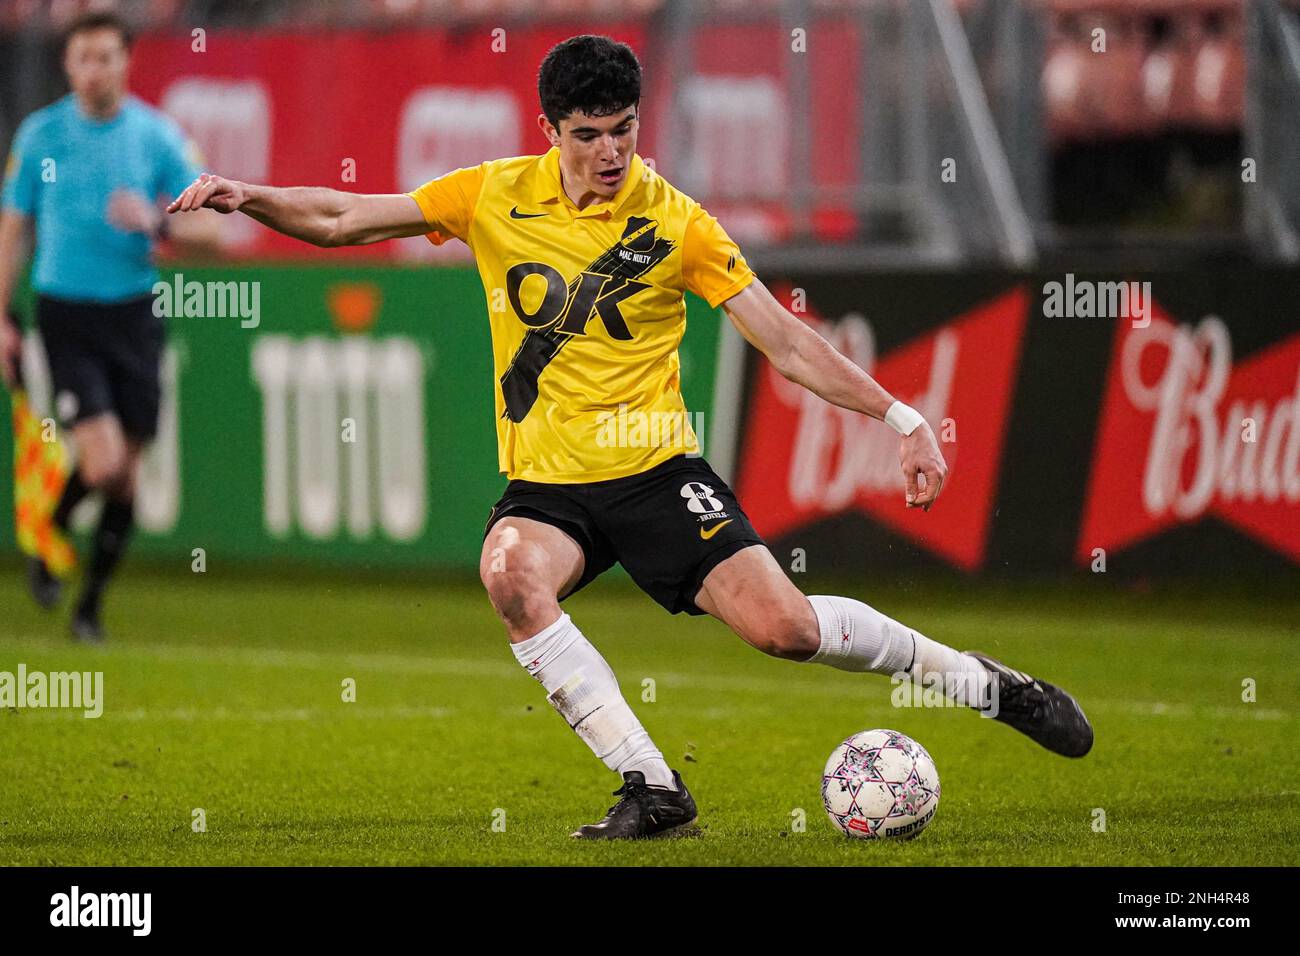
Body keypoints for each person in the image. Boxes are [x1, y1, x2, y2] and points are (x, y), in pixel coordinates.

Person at [167, 34, 1092, 839]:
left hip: (657, 475)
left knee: (788, 631)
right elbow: (342, 216)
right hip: (549, 489)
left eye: (625, 131)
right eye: (589, 135)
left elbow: (782, 338)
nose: (610, 152)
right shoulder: (492, 195)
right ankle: (652, 786)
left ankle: (983, 684)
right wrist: (248, 196)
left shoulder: (678, 222)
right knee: (509, 574)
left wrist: (901, 416)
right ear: (550, 131)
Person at [0, 11, 220, 642]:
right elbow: (16, 229)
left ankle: (88, 609)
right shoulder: (41, 136)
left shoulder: (158, 139)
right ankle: (47, 536)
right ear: (66, 66)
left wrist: (155, 221)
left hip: (133, 316)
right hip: (66, 312)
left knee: (126, 473)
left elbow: (212, 232)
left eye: (105, 57)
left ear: (126, 62)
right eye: (82, 59)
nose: (93, 70)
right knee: (99, 464)